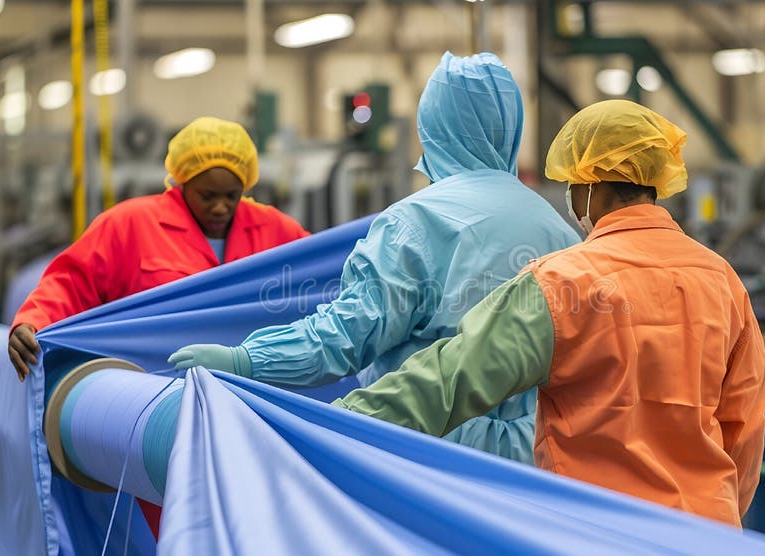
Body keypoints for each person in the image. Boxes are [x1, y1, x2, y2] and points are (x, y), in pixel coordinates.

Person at [329, 100, 765, 528]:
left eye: (573, 183)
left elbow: (449, 379)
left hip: (598, 533)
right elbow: (743, 430)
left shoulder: (561, 283)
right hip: (705, 533)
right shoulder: (722, 280)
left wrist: (339, 421)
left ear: (590, 187)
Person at [169, 52, 581, 464]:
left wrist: (248, 360)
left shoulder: (416, 224)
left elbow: (343, 338)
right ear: (513, 127)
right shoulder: (559, 231)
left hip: (424, 455)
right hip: (532, 461)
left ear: (431, 128)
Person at [7, 116, 309, 534]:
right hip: (158, 412)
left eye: (232, 196)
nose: (220, 207)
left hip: (252, 408)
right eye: (207, 195)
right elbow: (72, 281)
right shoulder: (130, 225)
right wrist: (33, 321)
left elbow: (324, 282)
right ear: (181, 181)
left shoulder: (276, 230)